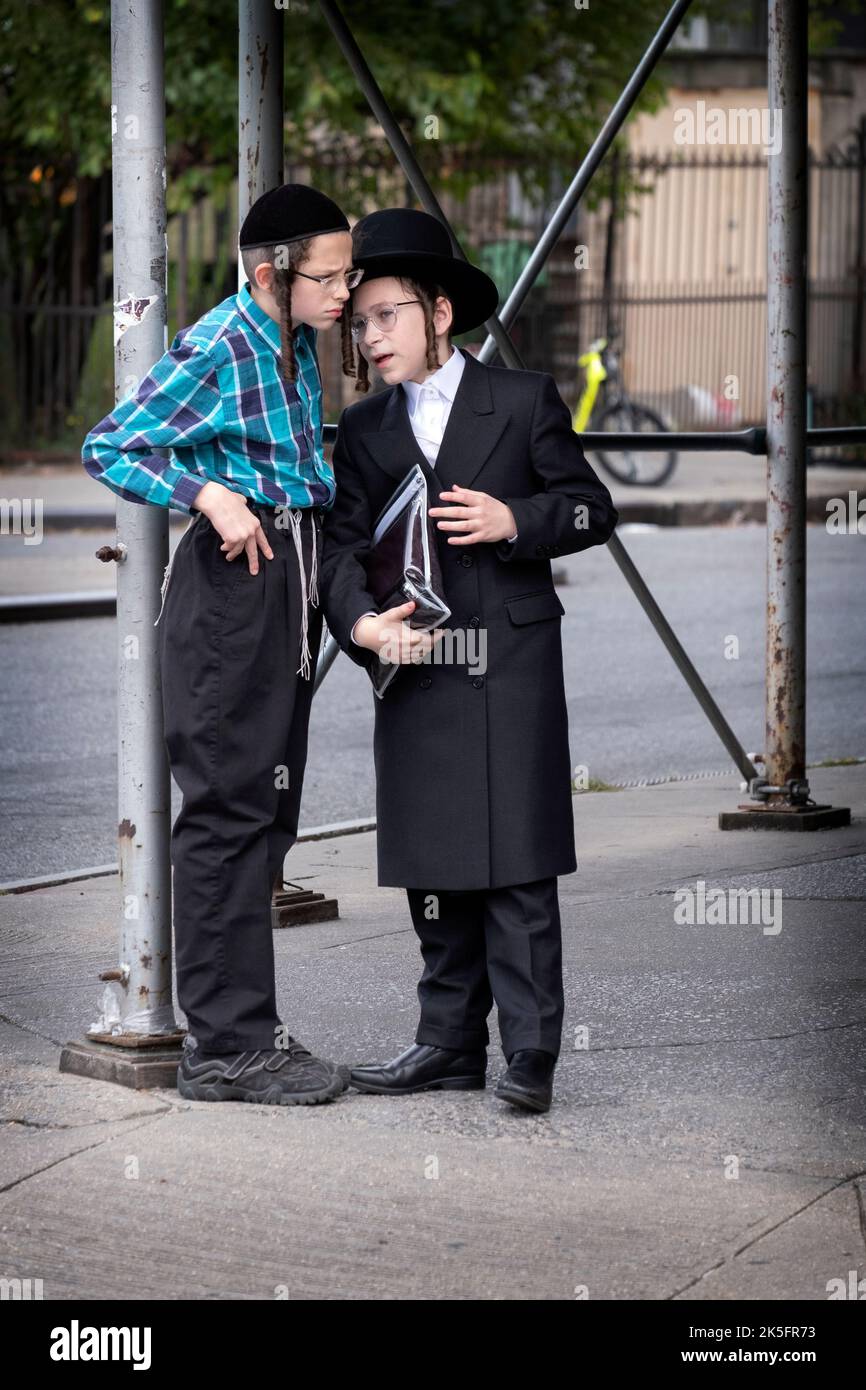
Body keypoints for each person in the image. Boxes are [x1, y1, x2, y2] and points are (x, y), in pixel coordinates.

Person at [319, 208, 619, 1113]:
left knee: (519, 862)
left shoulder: (524, 400)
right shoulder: (364, 430)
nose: (371, 337)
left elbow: (590, 509)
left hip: (513, 662)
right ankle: (446, 1045)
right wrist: (365, 629)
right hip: (416, 662)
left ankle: (530, 1056)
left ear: (440, 311)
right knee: (435, 864)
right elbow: (337, 550)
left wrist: (514, 520)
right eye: (359, 321)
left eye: (386, 316)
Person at [82, 184, 361, 1105]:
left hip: (288, 574)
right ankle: (226, 1050)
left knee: (265, 814)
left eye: (350, 274)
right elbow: (111, 446)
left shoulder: (292, 342)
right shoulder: (221, 340)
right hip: (230, 587)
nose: (346, 293)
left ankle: (246, 1032)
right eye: (331, 275)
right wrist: (206, 495)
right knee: (226, 810)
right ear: (269, 271)